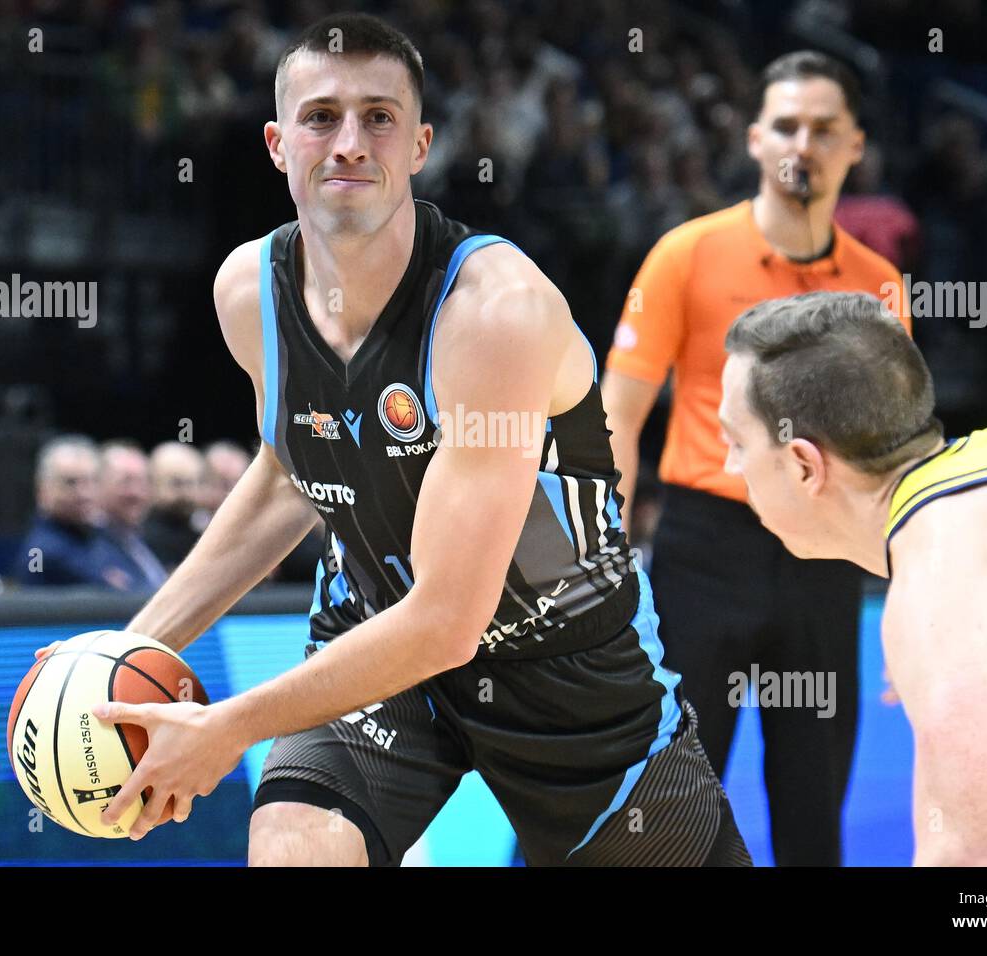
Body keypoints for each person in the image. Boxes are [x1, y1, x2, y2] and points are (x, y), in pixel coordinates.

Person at [42, 13, 750, 867]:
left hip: (567, 663)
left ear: (419, 146)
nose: (348, 142)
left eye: (378, 117)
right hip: (373, 640)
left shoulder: (493, 309)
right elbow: (292, 471)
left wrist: (226, 728)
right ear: (277, 144)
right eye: (320, 117)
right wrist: (134, 649)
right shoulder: (248, 292)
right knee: (295, 849)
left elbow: (450, 621)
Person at [601, 50, 911, 865]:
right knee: (666, 797)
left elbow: (896, 453)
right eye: (785, 124)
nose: (801, 143)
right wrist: (602, 561)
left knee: (814, 809)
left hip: (825, 563)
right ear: (752, 139)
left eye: (823, 129)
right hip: (704, 550)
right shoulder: (687, 254)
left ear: (854, 146)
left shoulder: (879, 286)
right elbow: (616, 412)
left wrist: (913, 590)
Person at [717, 290, 987, 865]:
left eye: (738, 443)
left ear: (804, 465)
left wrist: (936, 633)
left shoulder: (940, 584)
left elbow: (972, 866)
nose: (729, 467)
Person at [11, 435, 139, 590]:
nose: (84, 493)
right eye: (70, 483)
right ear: (43, 490)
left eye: (91, 481)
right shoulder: (38, 553)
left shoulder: (104, 535)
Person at [99, 441, 168, 591]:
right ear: (98, 484)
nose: (136, 492)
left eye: (143, 482)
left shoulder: (140, 539)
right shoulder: (87, 545)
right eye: (126, 482)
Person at [142, 441, 205, 569]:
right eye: (177, 483)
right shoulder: (139, 539)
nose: (186, 493)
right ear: (152, 484)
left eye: (191, 483)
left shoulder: (203, 534)